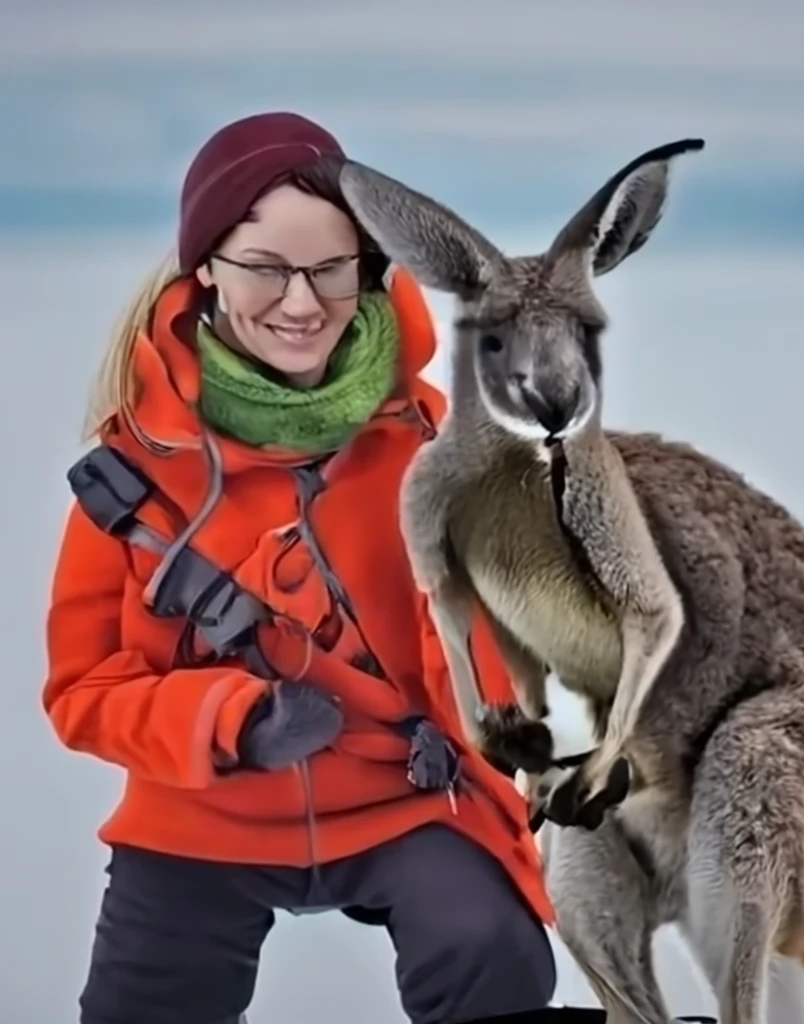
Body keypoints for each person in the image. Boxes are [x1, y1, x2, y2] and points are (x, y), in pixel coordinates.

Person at [41, 111, 557, 1024]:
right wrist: (230, 721)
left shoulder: (436, 444)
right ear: (206, 266)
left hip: (406, 800)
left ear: (369, 269)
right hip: (199, 814)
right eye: (266, 267)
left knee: (492, 949)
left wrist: (507, 742)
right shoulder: (134, 464)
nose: (301, 300)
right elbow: (82, 691)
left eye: (330, 268)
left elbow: (498, 639)